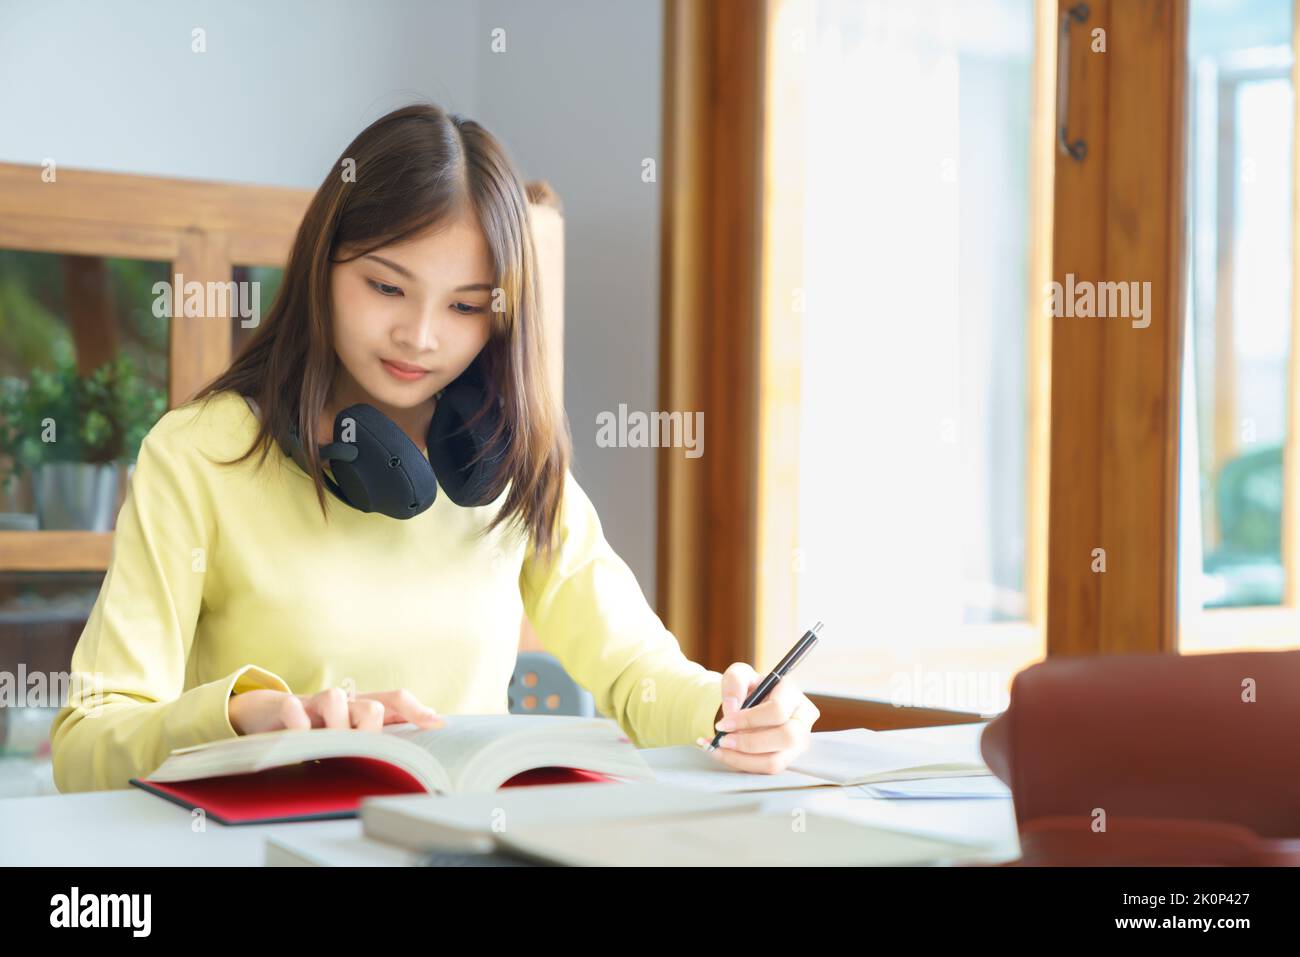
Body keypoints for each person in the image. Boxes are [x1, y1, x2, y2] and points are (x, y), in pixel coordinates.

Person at [49, 103, 819, 792]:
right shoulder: (198, 455)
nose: (420, 335)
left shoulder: (505, 458)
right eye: (387, 287)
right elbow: (85, 746)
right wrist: (242, 715)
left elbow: (636, 671)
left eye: (465, 306)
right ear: (322, 266)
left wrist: (733, 711)